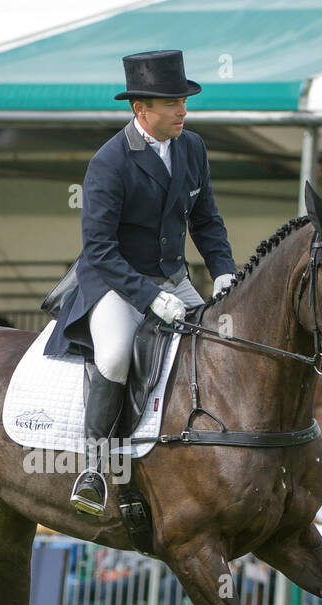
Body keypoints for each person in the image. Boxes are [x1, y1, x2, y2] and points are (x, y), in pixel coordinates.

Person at [48, 50, 237, 517]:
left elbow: (207, 221)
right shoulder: (110, 162)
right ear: (140, 109)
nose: (182, 110)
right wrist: (150, 297)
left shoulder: (192, 147)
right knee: (113, 356)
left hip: (174, 277)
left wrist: (224, 270)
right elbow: (99, 249)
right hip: (116, 282)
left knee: (226, 341)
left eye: (183, 100)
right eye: (172, 102)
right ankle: (93, 469)